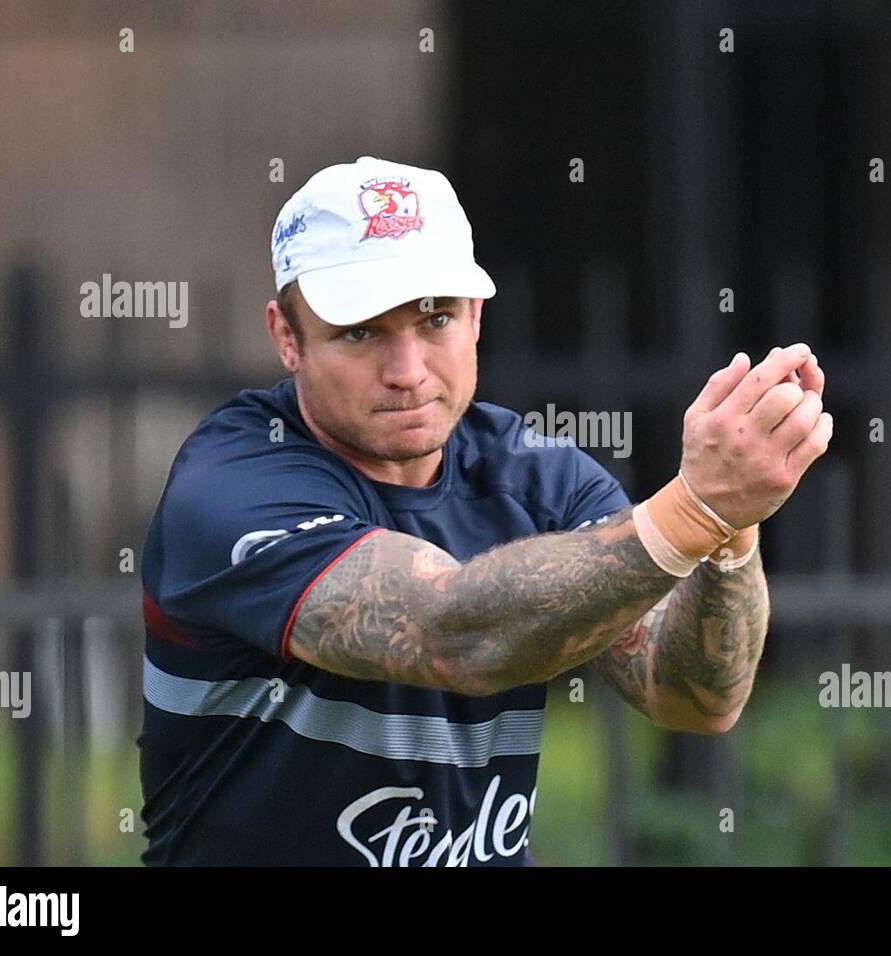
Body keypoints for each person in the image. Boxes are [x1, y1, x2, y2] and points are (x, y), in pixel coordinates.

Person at [137, 155, 832, 866]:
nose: (407, 371)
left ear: (475, 319)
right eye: (361, 332)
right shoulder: (233, 484)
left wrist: (730, 525)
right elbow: (452, 633)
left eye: (435, 319)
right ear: (287, 336)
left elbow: (691, 697)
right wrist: (692, 509)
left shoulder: (538, 479)